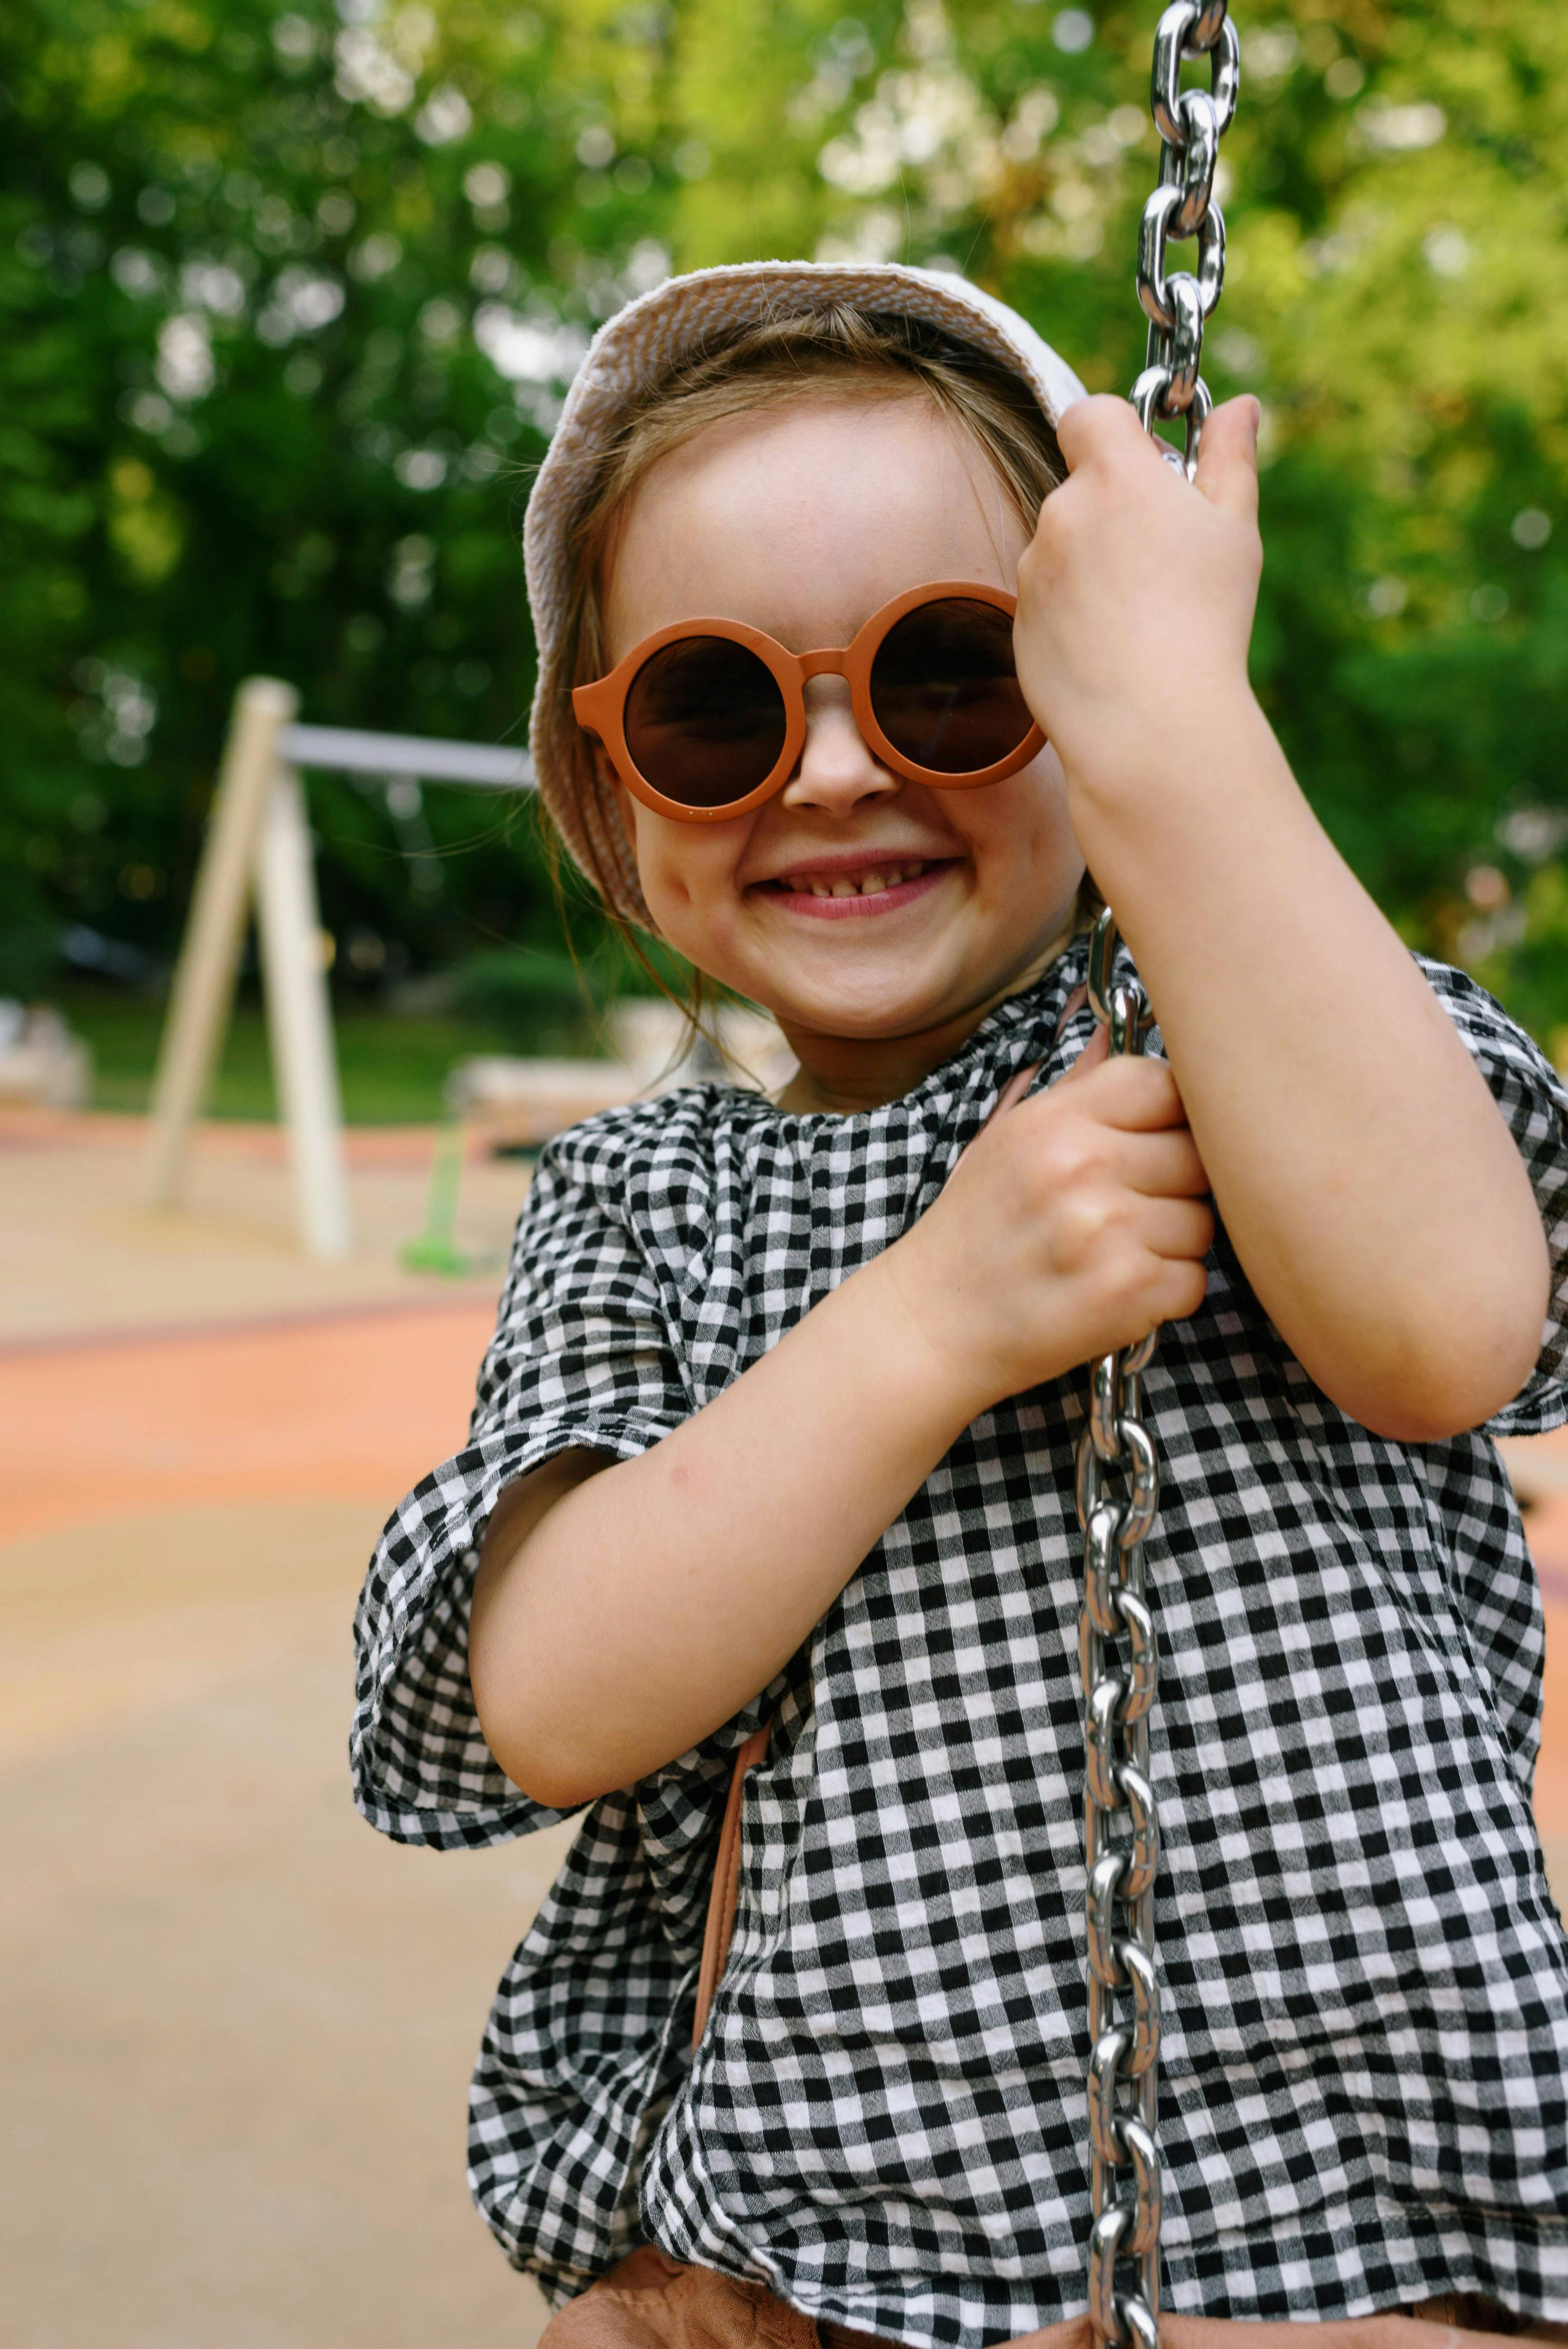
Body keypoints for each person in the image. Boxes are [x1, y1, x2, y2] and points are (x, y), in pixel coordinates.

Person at [352, 263, 1568, 2349]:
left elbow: (1449, 1327)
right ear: (608, 786)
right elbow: (541, 1701)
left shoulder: (1249, 1052)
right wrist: (932, 1322)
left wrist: (1187, 740)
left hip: (1373, 2257)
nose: (832, 773)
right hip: (812, 2270)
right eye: (720, 709)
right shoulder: (652, 1202)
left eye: (952, 676)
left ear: (1096, 701)